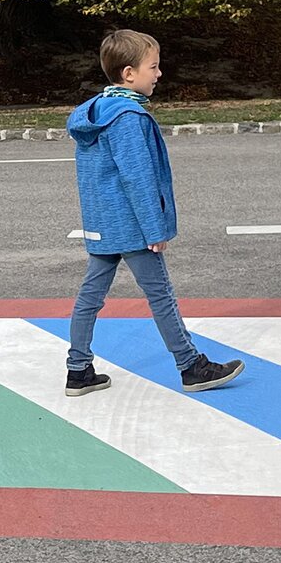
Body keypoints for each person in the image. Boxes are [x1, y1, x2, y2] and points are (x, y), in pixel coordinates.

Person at [61, 28, 243, 398]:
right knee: (160, 294)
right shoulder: (129, 118)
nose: (159, 74)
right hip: (132, 225)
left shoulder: (94, 112)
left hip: (102, 223)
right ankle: (191, 366)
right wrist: (154, 228)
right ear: (129, 74)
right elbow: (139, 178)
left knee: (90, 296)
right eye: (154, 67)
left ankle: (78, 370)